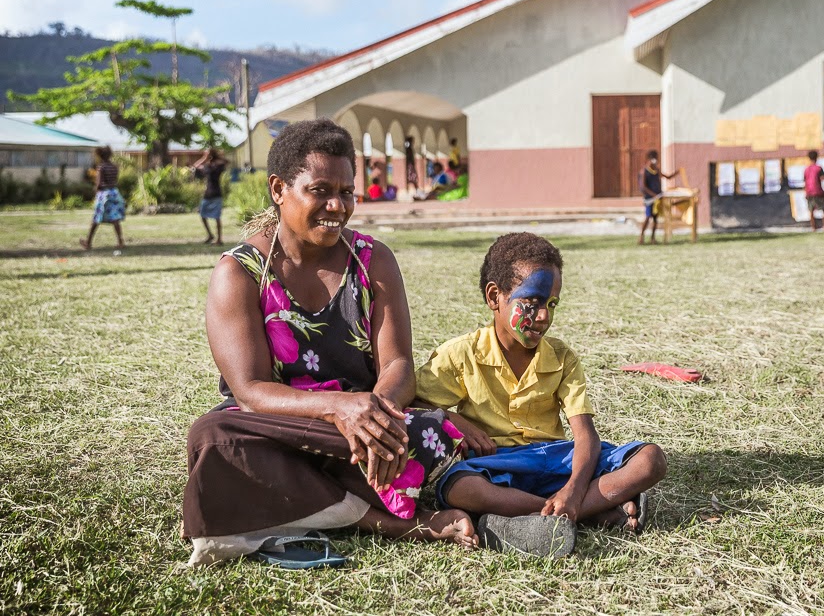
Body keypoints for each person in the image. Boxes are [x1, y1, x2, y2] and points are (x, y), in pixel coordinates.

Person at [182, 119, 476, 568]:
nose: (337, 205)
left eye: (347, 191)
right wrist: (340, 409)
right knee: (215, 438)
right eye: (320, 190)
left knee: (426, 432)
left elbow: (397, 363)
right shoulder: (240, 273)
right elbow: (249, 390)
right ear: (279, 189)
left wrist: (376, 419)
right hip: (281, 426)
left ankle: (274, 505)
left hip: (377, 427)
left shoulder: (373, 260)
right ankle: (392, 520)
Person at [414, 232, 667, 556]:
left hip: (555, 460)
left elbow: (585, 436)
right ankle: (586, 510)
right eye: (532, 303)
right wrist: (454, 419)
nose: (545, 316)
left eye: (552, 304)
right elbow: (412, 403)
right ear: (495, 296)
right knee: (458, 487)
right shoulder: (462, 354)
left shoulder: (561, 357)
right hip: (494, 466)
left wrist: (574, 491)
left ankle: (547, 515)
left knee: (650, 460)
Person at [80, 146, 125, 251]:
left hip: (104, 194)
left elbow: (99, 183)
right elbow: (115, 180)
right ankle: (120, 241)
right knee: (115, 218)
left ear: (100, 156)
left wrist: (95, 191)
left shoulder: (101, 167)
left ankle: (88, 242)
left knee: (96, 219)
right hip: (114, 193)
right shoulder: (114, 166)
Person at [638, 150, 677, 245]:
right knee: (648, 217)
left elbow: (667, 177)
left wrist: (677, 173)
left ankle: (652, 238)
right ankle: (641, 237)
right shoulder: (644, 171)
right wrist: (653, 195)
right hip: (649, 199)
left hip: (658, 198)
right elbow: (643, 187)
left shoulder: (656, 170)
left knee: (655, 218)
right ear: (649, 160)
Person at [191, 148, 227, 244]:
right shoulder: (208, 166)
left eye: (207, 154)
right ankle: (210, 235)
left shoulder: (217, 166)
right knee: (203, 214)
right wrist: (204, 158)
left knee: (217, 217)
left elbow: (224, 162)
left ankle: (219, 239)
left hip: (216, 194)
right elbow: (195, 166)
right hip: (207, 194)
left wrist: (215, 156)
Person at [803, 150, 824, 233]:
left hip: (809, 192)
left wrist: (806, 192)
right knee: (823, 210)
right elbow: (823, 178)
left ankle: (813, 227)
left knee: (811, 211)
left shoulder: (806, 169)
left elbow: (805, 182)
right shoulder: (819, 168)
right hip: (818, 191)